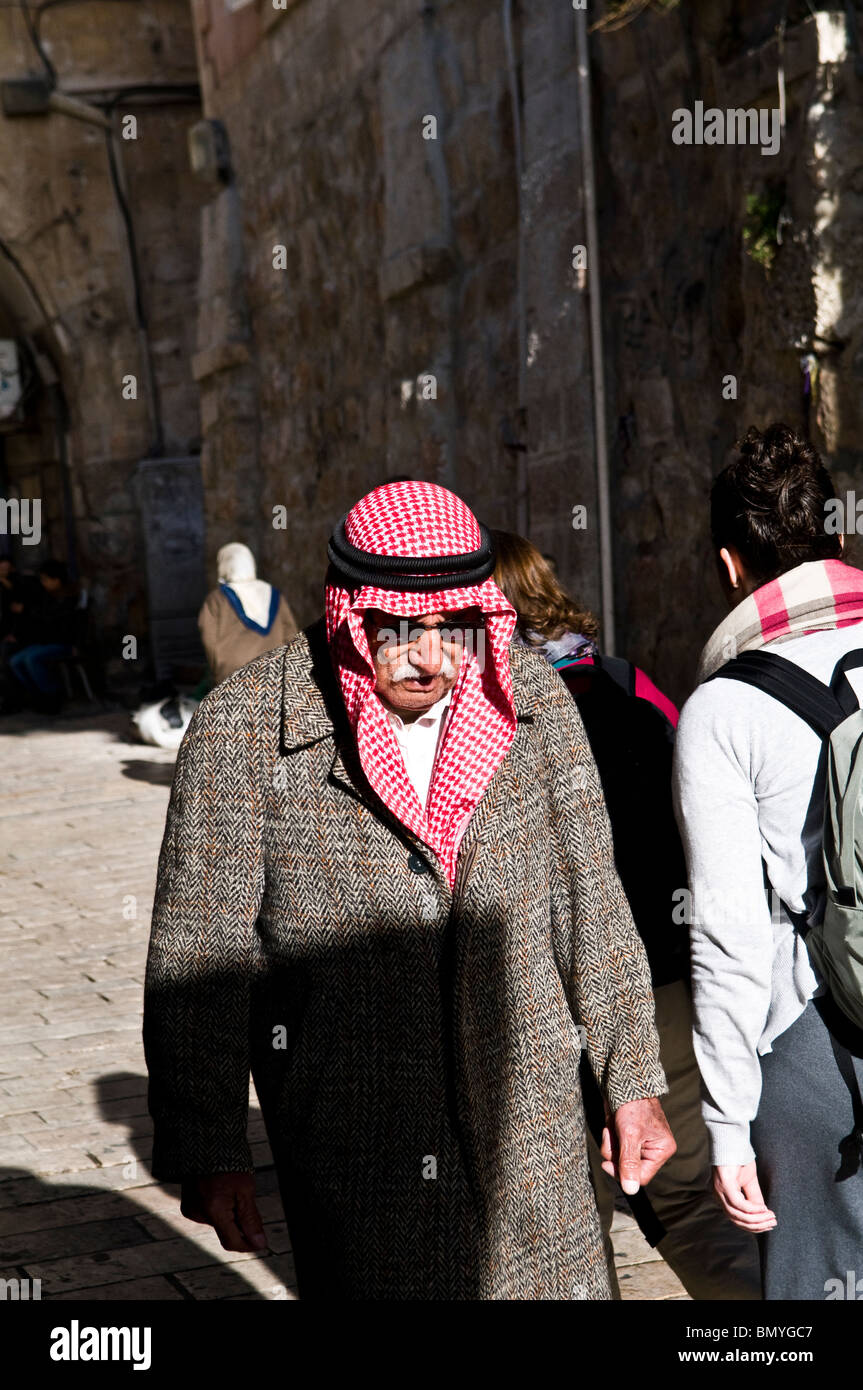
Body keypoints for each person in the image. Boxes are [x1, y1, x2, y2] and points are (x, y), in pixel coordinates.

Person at [144, 480, 674, 1301]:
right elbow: (198, 966)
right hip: (359, 1157)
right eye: (401, 631)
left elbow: (590, 904)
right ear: (351, 609)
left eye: (452, 629)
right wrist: (210, 1149)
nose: (431, 658)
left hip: (534, 1145)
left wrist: (632, 1079)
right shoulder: (242, 732)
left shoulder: (532, 704)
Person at [493, 530, 760, 1300]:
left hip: (546, 995)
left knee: (565, 1223)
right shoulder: (627, 683)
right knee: (687, 1198)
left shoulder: (490, 717)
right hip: (664, 981)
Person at [673, 423, 863, 1300]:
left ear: (727, 565)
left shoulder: (721, 710)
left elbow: (727, 935)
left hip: (816, 1045)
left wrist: (726, 1126)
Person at [197, 541, 298, 685]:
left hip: (233, 673)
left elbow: (209, 638)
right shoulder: (273, 594)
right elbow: (290, 633)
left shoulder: (217, 599)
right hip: (274, 670)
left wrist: (218, 669)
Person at [7, 559, 78, 711]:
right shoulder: (47, 597)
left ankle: (52, 695)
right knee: (15, 661)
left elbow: (54, 622)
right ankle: (37, 696)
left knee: (32, 659)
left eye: (46, 579)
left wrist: (27, 612)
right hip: (45, 642)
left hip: (62, 644)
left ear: (56, 580)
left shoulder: (68, 598)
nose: (43, 583)